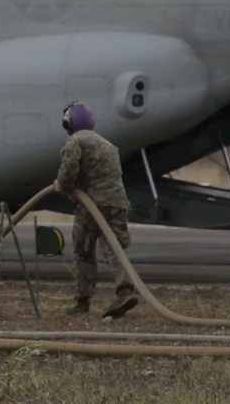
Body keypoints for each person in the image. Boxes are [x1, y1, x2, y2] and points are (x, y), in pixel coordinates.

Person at [53, 101, 138, 319]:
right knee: (115, 248)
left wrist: (62, 186)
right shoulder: (108, 144)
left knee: (83, 251)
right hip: (117, 203)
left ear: (68, 123)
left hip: (92, 205)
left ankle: (82, 302)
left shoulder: (75, 141)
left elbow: (69, 169)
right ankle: (125, 291)